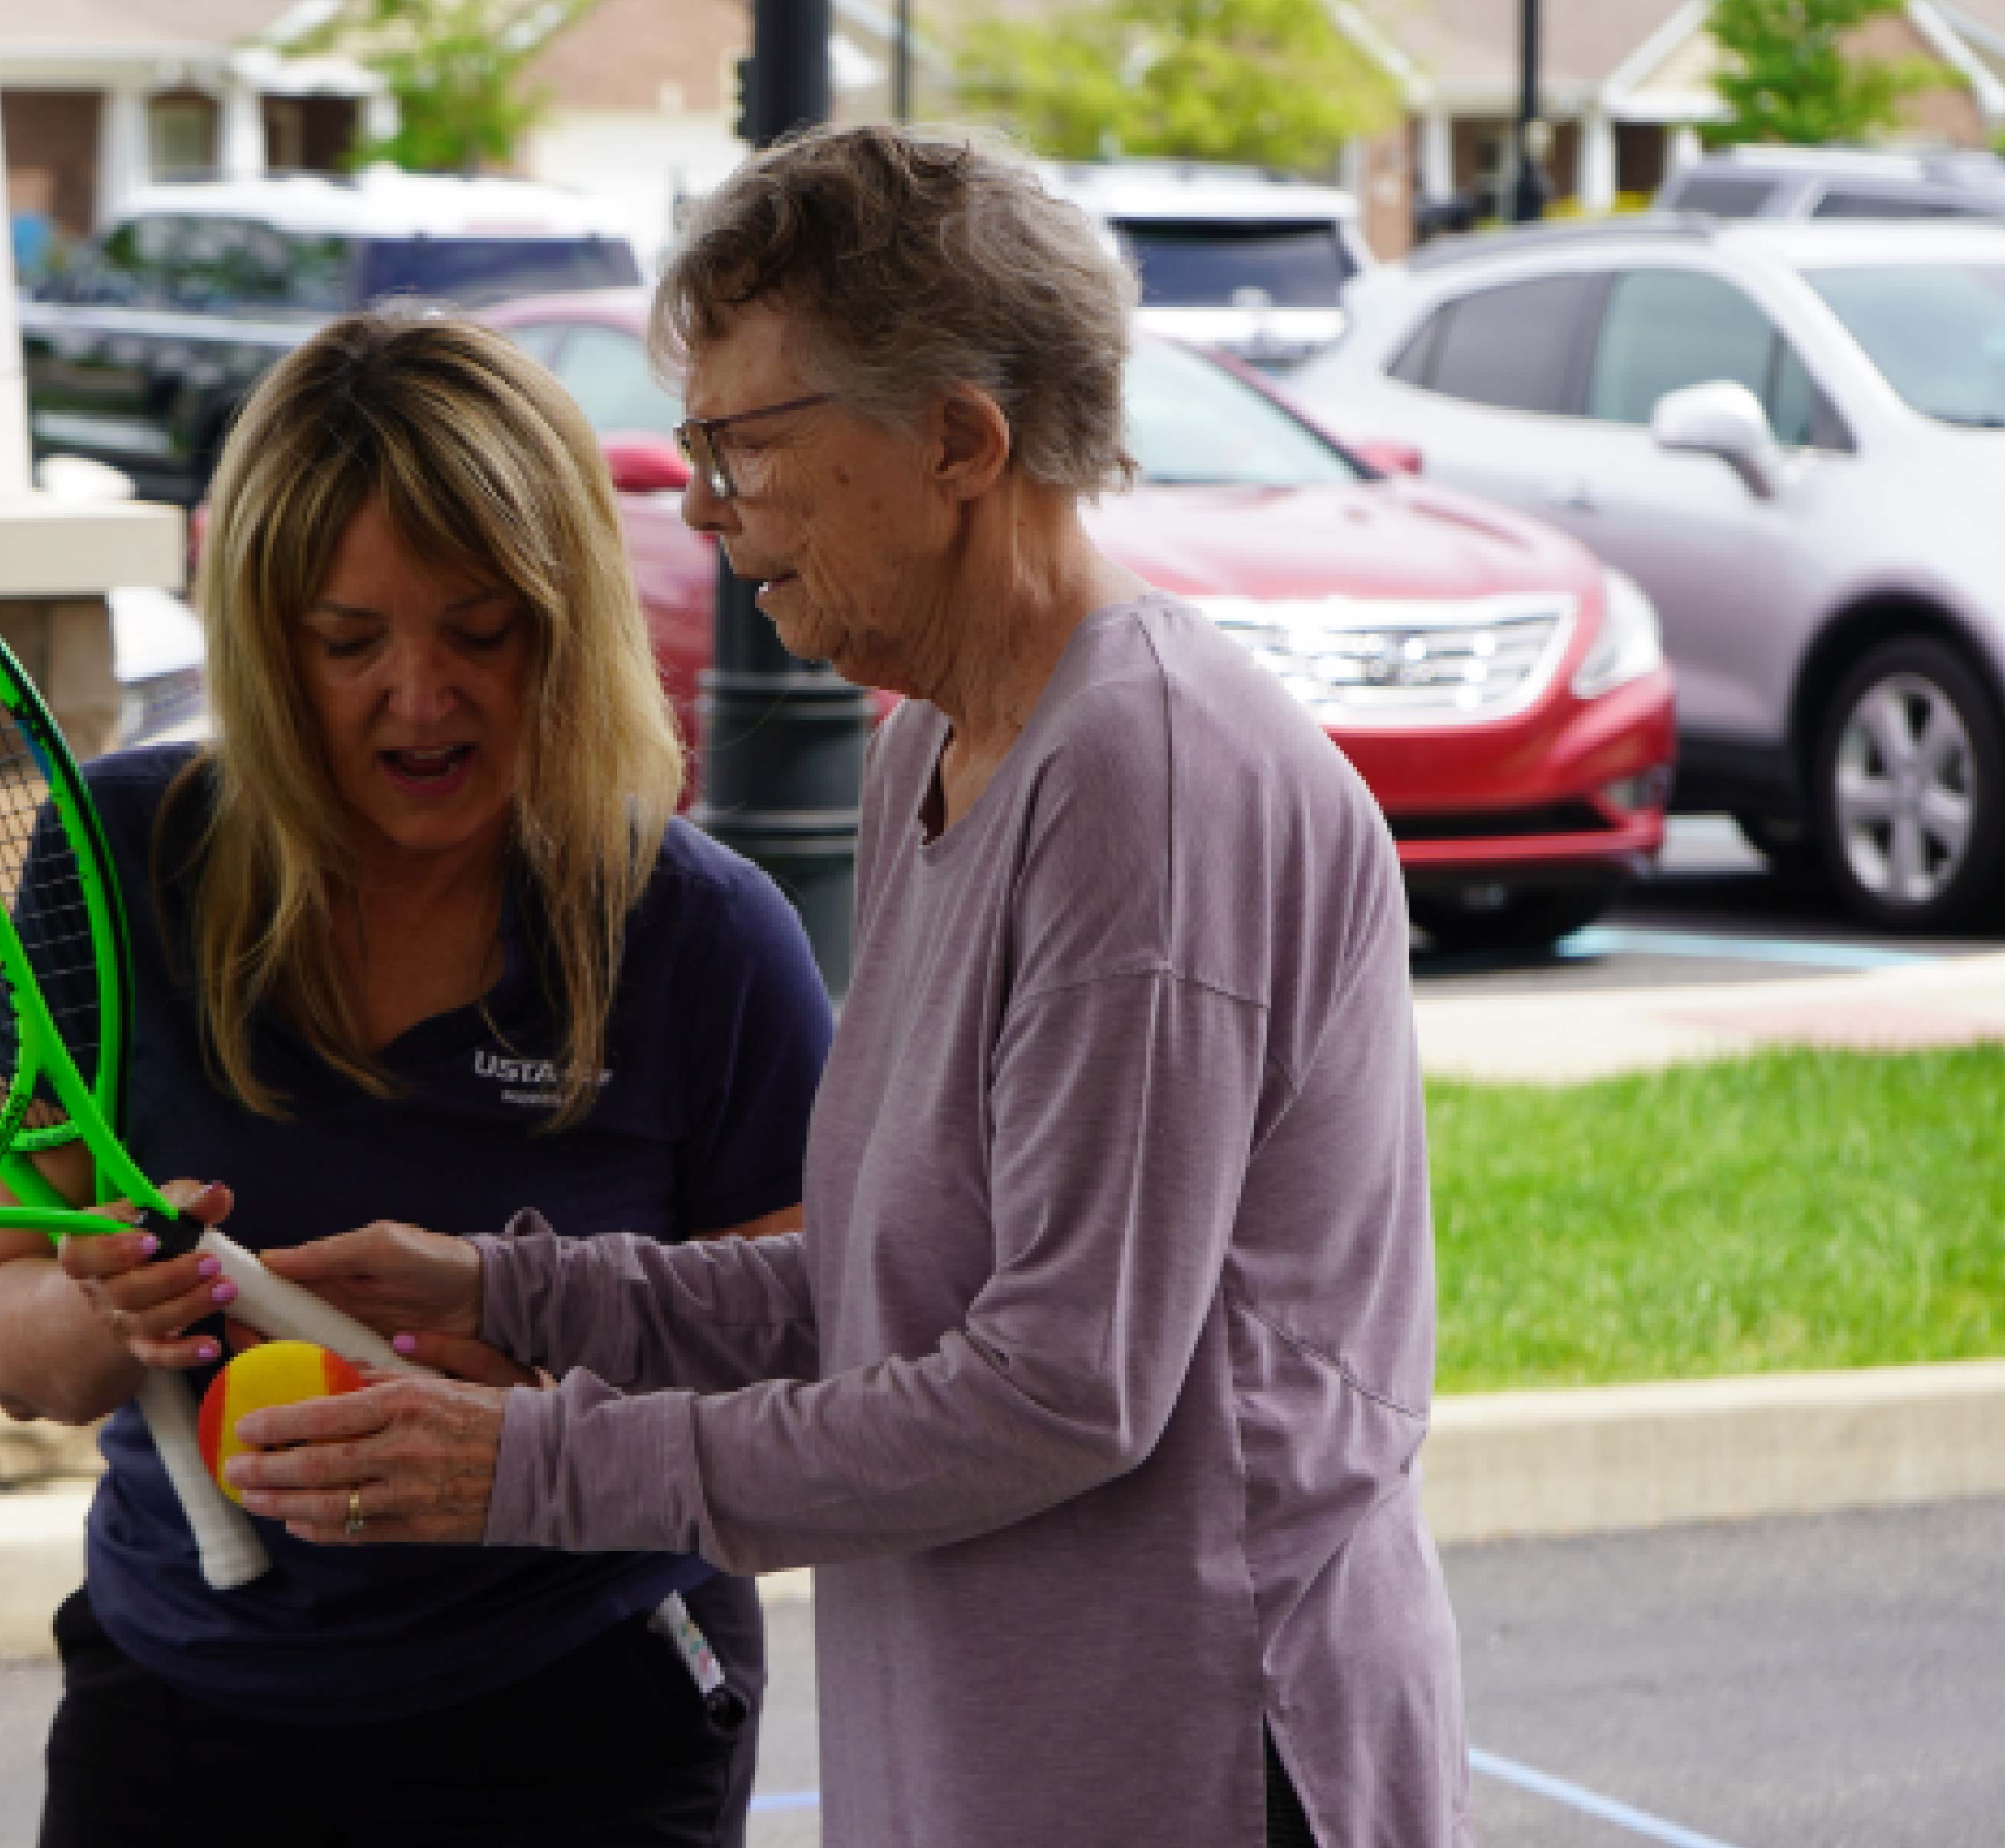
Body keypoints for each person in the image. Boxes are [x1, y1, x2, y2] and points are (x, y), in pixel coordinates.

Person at [223, 127, 1470, 1847]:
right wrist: (517, 1290)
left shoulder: (1143, 777)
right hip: (985, 1731)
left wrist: (533, 1465)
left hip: (1182, 1745)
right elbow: (901, 1280)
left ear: (959, 438)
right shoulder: (929, 752)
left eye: (745, 444)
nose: (710, 505)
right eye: (698, 446)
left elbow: (1058, 1386)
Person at [0, 310, 835, 1847]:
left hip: (585, 1708)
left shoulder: (700, 930)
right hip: (179, 1706)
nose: (418, 696)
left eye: (479, 629)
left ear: (568, 620)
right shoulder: (116, 857)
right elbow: (4, 1327)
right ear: (258, 633)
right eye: (347, 640)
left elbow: (819, 1326)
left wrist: (547, 1396)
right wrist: (98, 1312)